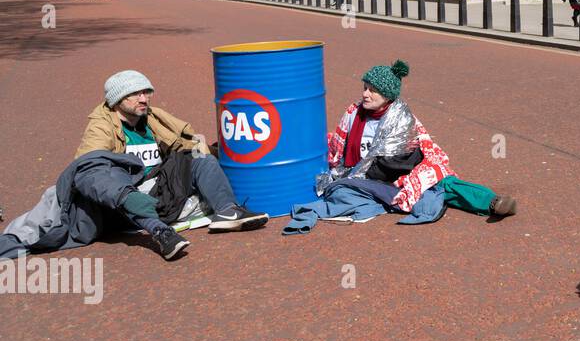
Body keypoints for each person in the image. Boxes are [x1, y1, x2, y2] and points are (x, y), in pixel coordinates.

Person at [50, 71, 267, 258]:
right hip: (128, 198)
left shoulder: (152, 118)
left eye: (146, 92)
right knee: (114, 175)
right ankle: (161, 233)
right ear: (117, 99)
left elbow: (186, 145)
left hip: (161, 188)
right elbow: (89, 169)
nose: (144, 99)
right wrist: (127, 196)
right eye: (135, 94)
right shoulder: (101, 127)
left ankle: (227, 211)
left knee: (199, 158)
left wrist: (227, 152)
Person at [300, 60, 517, 229]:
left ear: (387, 94)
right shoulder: (353, 113)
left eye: (372, 90)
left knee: (443, 185)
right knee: (341, 191)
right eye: (365, 87)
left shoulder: (401, 118)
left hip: (403, 170)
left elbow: (399, 160)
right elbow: (339, 146)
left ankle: (492, 202)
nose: (365, 94)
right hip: (368, 176)